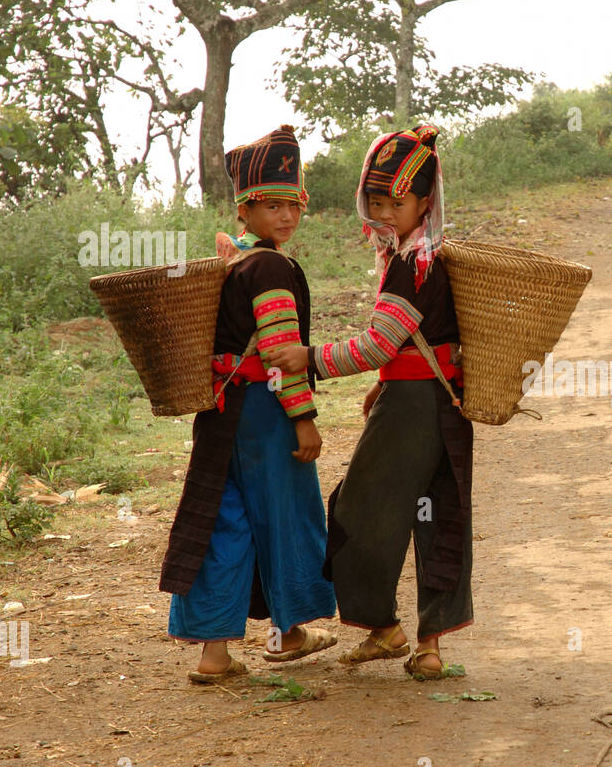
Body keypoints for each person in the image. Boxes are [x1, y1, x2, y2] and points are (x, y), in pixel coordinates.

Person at [263, 123, 472, 680]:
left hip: (415, 409)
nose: (382, 212)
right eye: (375, 201)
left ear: (424, 201)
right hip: (436, 399)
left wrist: (309, 357)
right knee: (436, 515)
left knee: (359, 511)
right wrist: (386, 379)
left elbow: (379, 342)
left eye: (395, 202)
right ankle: (425, 647)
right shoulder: (422, 254)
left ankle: (387, 629)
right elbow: (407, 344)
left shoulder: (411, 265)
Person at [159, 124, 337, 683]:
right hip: (265, 413)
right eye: (272, 206)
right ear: (246, 210)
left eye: (294, 206)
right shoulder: (271, 268)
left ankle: (213, 654)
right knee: (287, 518)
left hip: (218, 412)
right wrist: (303, 421)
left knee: (224, 522)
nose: (286, 217)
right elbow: (284, 354)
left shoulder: (231, 264)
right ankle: (290, 633)